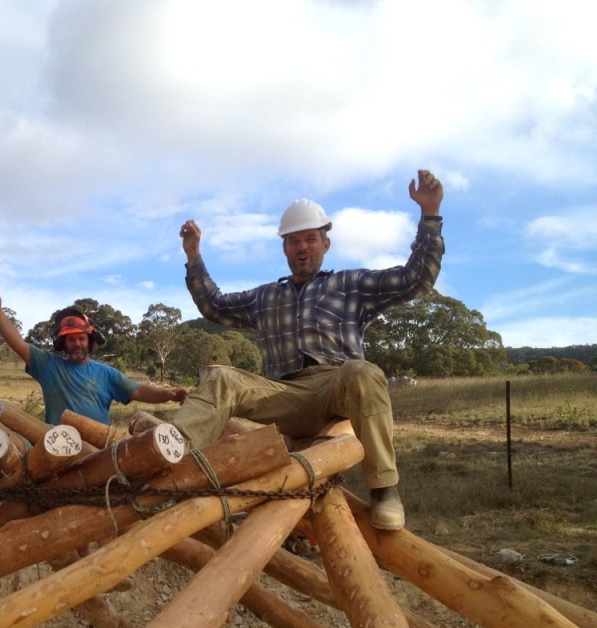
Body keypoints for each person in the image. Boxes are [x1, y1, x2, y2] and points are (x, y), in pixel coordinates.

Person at [149, 170, 444, 531]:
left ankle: (384, 491)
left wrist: (430, 216)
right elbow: (213, 306)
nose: (301, 247)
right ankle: (168, 459)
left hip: (333, 388)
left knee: (362, 371)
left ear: (325, 244)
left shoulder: (350, 285)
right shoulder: (265, 297)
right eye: (292, 241)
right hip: (282, 394)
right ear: (285, 248)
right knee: (221, 377)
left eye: (309, 239)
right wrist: (194, 255)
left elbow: (416, 279)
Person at [0, 291, 187, 426]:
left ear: (90, 341)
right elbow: (18, 343)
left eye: (81, 338)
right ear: (63, 343)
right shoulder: (49, 366)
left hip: (98, 451)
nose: (77, 343)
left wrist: (168, 394)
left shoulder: (106, 374)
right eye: (71, 340)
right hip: (57, 450)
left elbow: (139, 391)